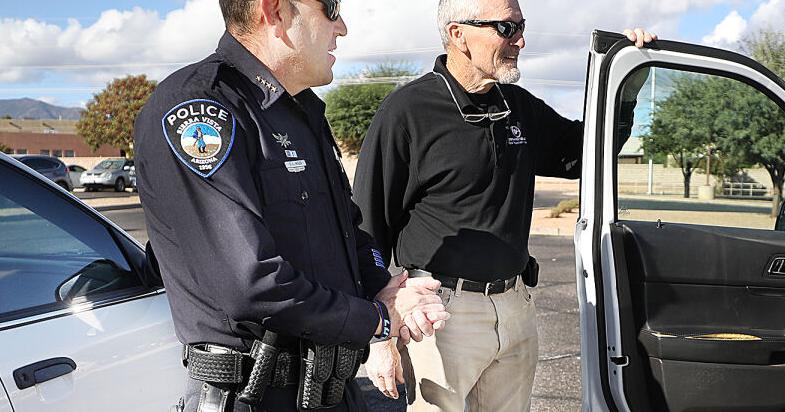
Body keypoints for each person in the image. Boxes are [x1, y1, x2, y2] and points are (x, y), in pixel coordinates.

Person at [133, 0, 449, 411]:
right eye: (331, 8)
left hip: (331, 389)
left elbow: (348, 230)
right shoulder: (199, 108)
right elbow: (249, 282)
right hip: (253, 395)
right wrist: (378, 319)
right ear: (276, 12)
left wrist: (387, 288)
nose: (343, 28)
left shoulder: (302, 111)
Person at [353, 0, 656, 410]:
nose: (521, 40)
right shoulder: (406, 111)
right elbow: (368, 229)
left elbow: (586, 154)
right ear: (458, 34)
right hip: (438, 315)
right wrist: (380, 335)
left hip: (515, 308)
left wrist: (628, 83)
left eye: (520, 26)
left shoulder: (518, 105)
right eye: (506, 28)